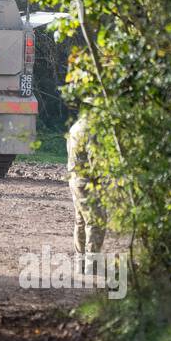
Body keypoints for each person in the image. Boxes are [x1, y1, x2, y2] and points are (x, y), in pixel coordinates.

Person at [66, 110, 107, 270]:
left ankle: (80, 263)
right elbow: (94, 159)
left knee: (81, 221)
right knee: (96, 222)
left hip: (75, 179)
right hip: (88, 181)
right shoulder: (91, 130)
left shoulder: (75, 127)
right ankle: (92, 265)